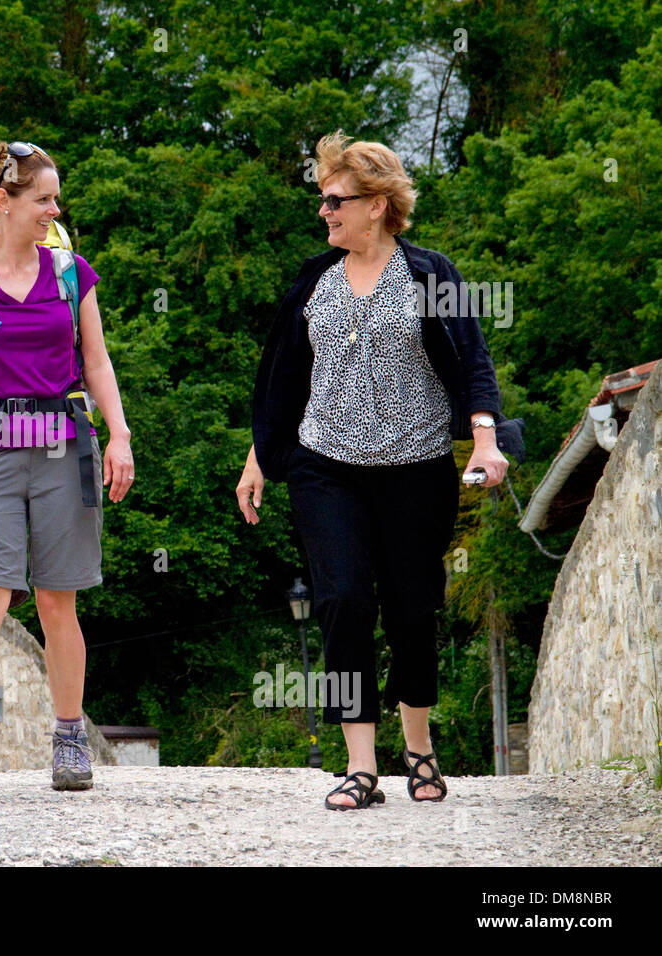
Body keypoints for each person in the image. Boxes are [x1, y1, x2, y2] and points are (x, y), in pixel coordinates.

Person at [238, 130, 510, 809]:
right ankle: (360, 765)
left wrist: (484, 440)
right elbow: (282, 380)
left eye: (336, 200)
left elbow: (473, 360)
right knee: (341, 600)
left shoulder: (430, 274)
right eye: (324, 200)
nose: (325, 212)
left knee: (413, 610)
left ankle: (419, 750)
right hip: (325, 466)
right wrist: (260, 458)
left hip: (416, 469)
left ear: (378, 204)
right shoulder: (313, 281)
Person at [0, 141, 133, 795]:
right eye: (44, 198)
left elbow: (96, 362)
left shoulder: (72, 276)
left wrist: (119, 435)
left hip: (66, 442)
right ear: (4, 202)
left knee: (55, 600)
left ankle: (70, 737)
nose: (54, 209)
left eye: (55, 199)